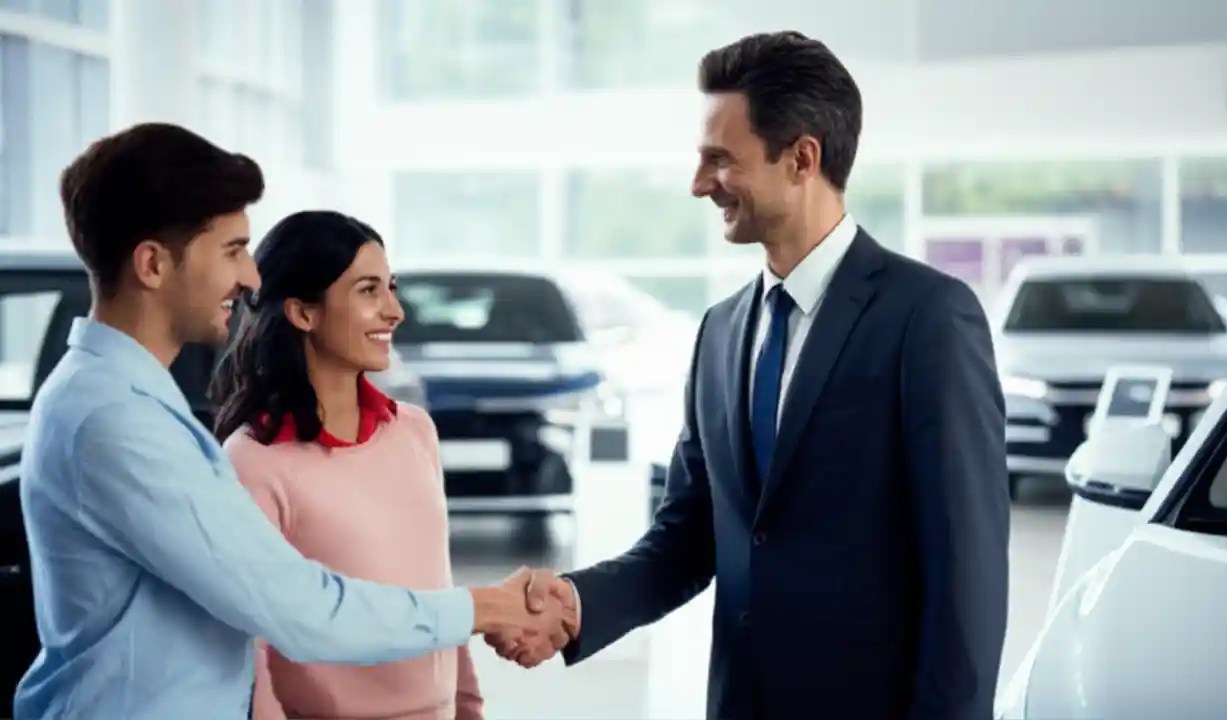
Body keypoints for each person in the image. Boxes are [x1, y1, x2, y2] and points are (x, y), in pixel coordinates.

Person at [491, 31, 1010, 720]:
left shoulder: (928, 318)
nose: (699, 184)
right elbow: (688, 537)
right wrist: (577, 603)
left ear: (801, 158)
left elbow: (967, 579)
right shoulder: (720, 331)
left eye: (719, 160)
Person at [14, 123, 547, 719]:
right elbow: (297, 610)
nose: (250, 278)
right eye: (232, 250)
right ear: (153, 265)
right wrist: (486, 607)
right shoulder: (114, 421)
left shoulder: (127, 402)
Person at [208, 210, 506, 719]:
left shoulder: (414, 432)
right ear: (304, 313)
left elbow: (437, 586)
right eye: (369, 291)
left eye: (391, 287)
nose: (395, 311)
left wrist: (468, 704)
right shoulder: (251, 462)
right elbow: (251, 648)